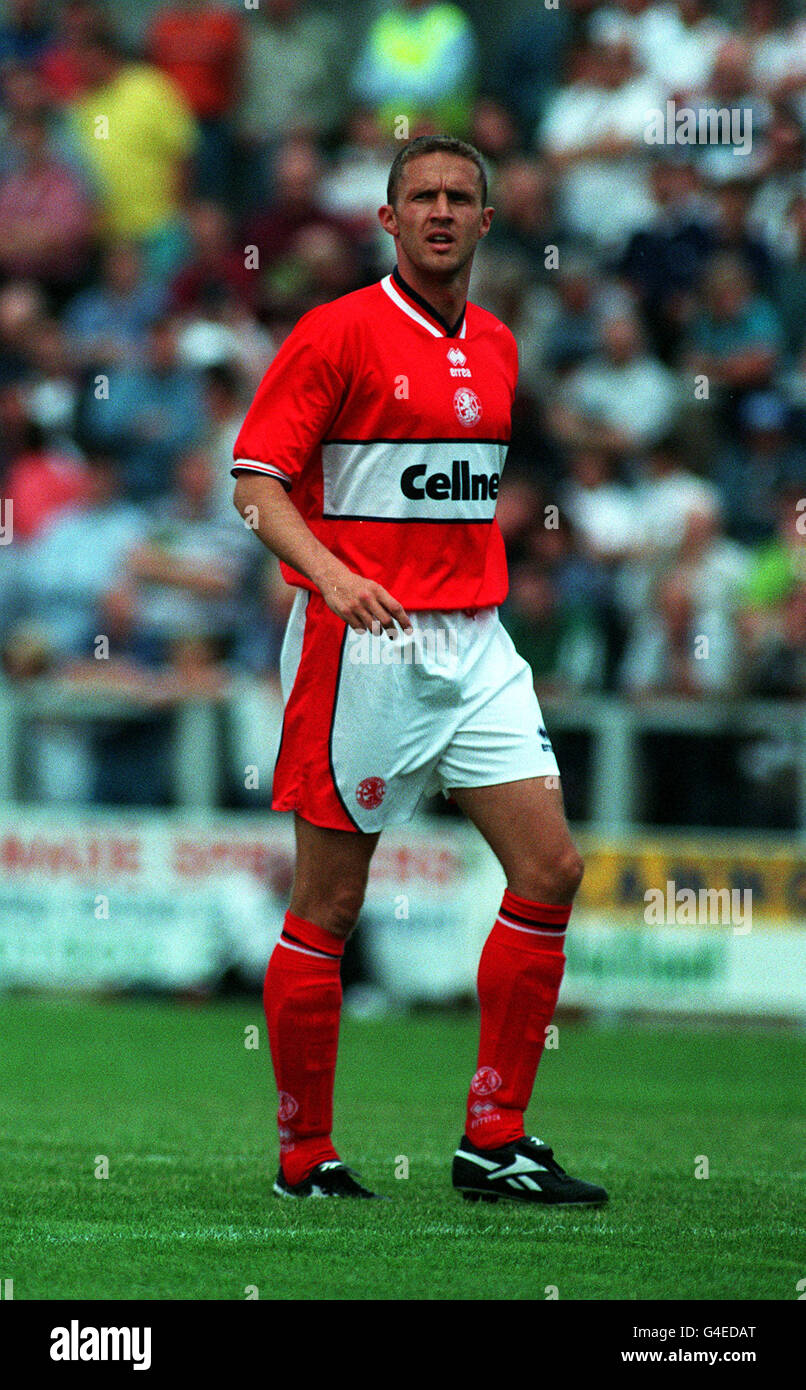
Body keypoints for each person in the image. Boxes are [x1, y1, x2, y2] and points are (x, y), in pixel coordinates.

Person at [232, 134, 608, 1207]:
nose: (440, 211)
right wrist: (330, 576)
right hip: (362, 650)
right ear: (387, 220)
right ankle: (304, 1156)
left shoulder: (496, 342)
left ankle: (493, 1136)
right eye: (420, 197)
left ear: (487, 221)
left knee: (549, 870)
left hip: (476, 642)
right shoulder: (335, 331)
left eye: (459, 197)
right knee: (328, 907)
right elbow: (256, 485)